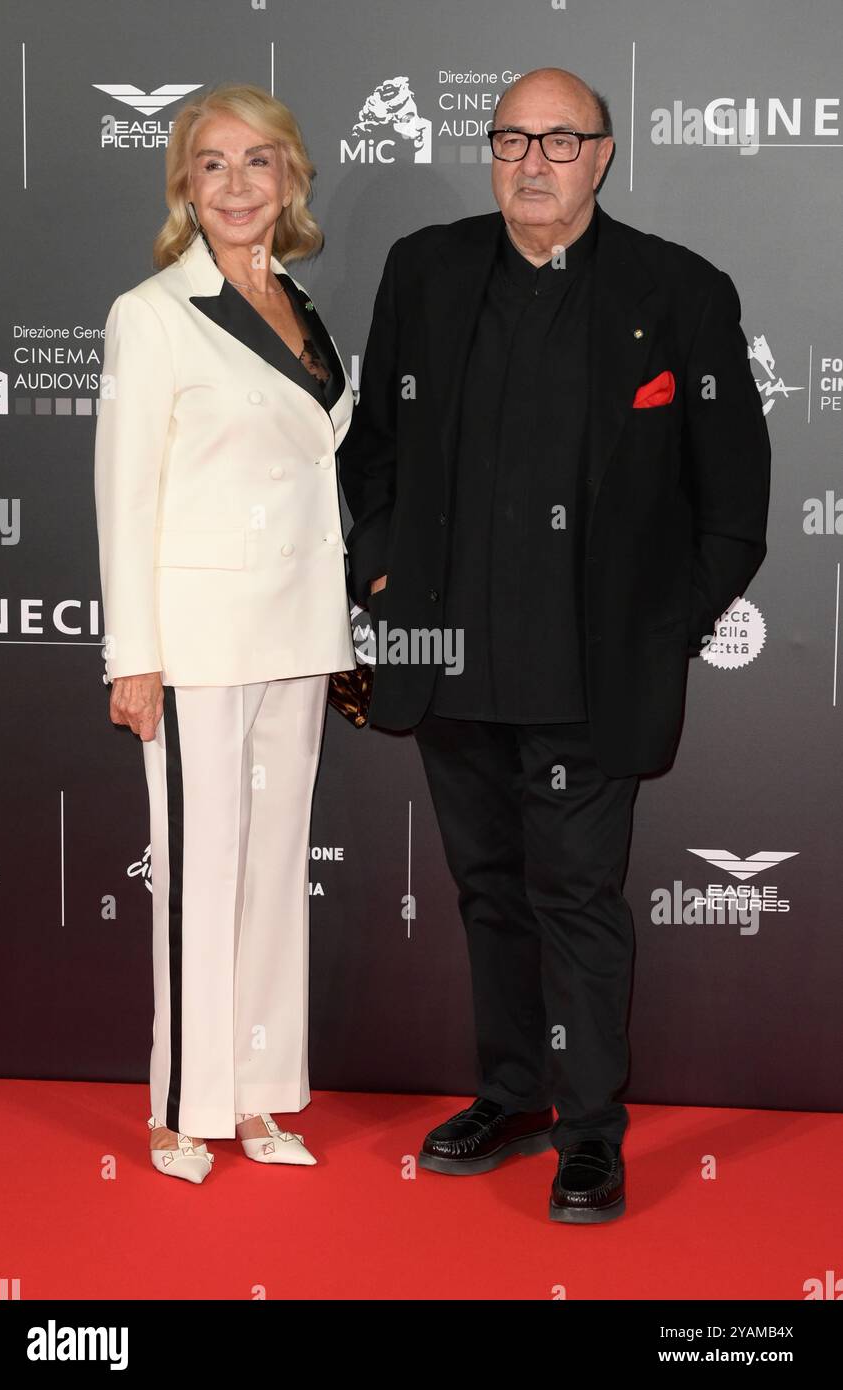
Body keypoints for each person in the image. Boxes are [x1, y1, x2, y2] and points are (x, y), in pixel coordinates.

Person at [340, 67, 770, 1222]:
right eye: (512, 138)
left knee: (574, 897)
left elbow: (732, 502)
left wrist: (656, 627)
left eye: (560, 139)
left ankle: (589, 1132)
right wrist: (379, 571)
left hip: (588, 677)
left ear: (603, 154)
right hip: (449, 658)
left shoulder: (676, 291)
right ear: (490, 151)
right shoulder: (423, 272)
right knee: (488, 891)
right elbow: (370, 446)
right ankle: (512, 1091)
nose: (533, 160)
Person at [94, 82, 355, 1184]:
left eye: (259, 162)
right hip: (198, 640)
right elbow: (126, 492)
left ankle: (254, 1097)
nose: (238, 184)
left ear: (289, 177)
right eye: (214, 164)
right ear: (184, 186)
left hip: (297, 633)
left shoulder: (303, 301)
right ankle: (174, 1106)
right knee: (199, 877)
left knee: (269, 874)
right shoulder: (151, 312)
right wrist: (133, 654)